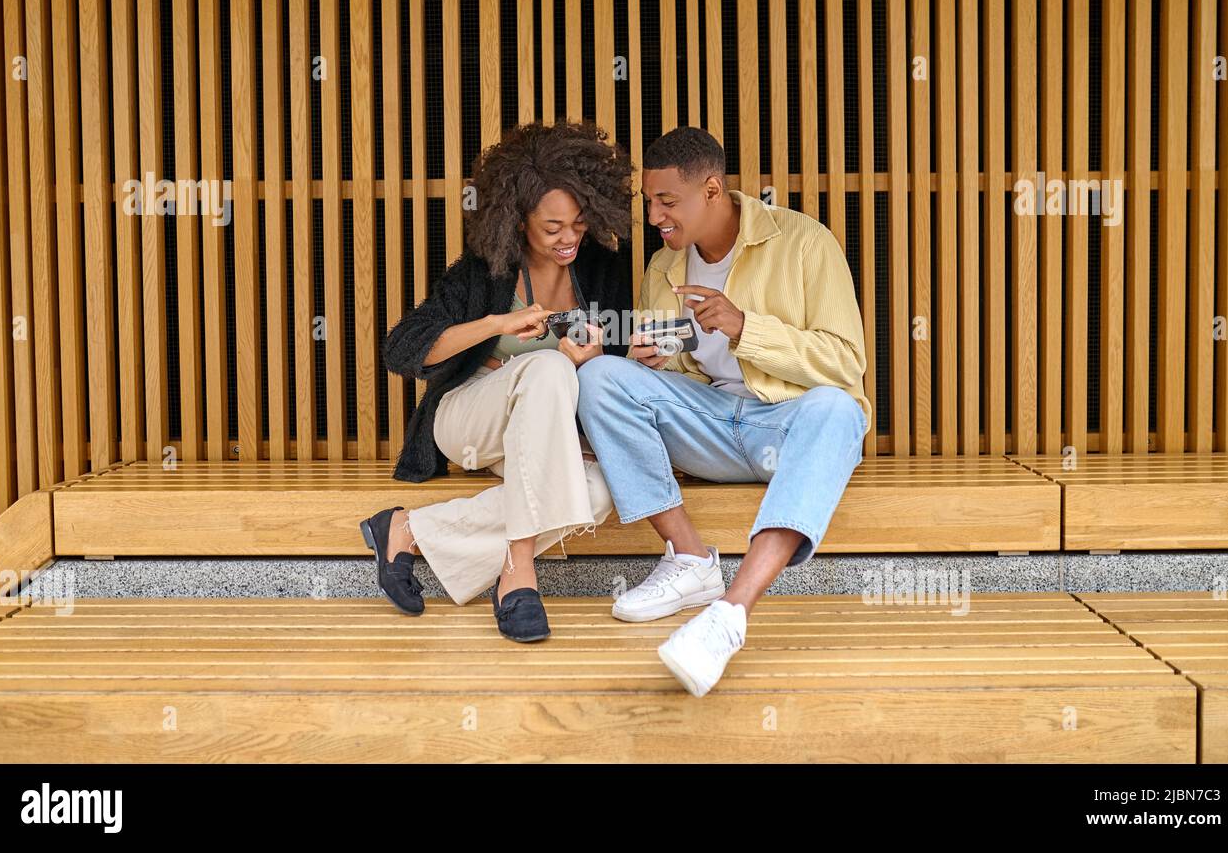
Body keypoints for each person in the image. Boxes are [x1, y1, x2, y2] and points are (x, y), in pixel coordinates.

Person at [576, 126, 870, 695]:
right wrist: (654, 363)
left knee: (838, 411)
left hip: (787, 427)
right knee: (603, 376)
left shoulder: (804, 242)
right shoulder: (664, 267)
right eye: (650, 203)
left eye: (667, 201)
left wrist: (744, 327)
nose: (657, 216)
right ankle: (689, 560)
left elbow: (846, 364)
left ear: (711, 189)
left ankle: (729, 613)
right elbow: (683, 372)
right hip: (711, 424)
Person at [363, 119, 633, 642]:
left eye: (578, 223)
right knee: (548, 364)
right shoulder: (486, 269)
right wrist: (496, 325)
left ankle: (406, 530)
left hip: (540, 435)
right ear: (518, 217)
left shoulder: (603, 270)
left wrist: (597, 359)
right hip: (467, 421)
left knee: (598, 491)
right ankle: (517, 574)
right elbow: (401, 348)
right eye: (553, 227)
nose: (569, 238)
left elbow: (612, 358)